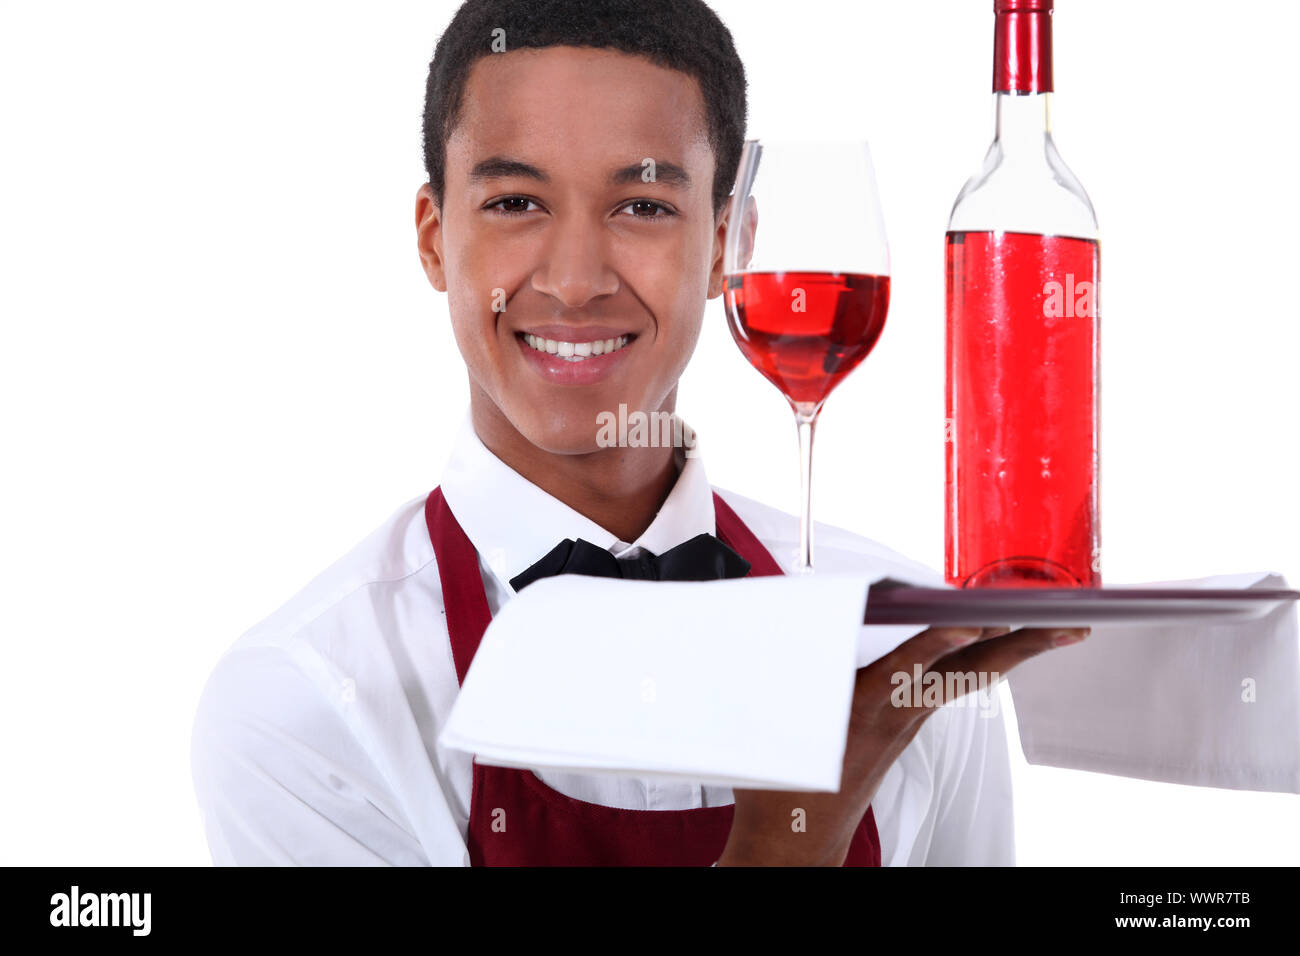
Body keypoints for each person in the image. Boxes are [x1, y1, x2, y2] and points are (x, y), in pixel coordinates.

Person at [189, 0, 1089, 867]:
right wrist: (789, 840)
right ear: (434, 239)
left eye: (644, 207)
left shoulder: (907, 647)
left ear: (727, 246)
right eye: (514, 203)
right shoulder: (303, 696)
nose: (576, 281)